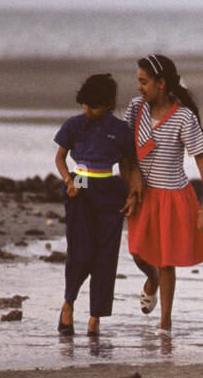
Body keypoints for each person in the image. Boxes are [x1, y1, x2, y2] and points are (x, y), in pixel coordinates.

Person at [124, 54, 203, 331]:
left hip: (172, 195)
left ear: (161, 83)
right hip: (141, 192)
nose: (139, 87)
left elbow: (201, 158)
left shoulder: (183, 116)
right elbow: (125, 149)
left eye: (144, 81)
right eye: (138, 81)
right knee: (137, 251)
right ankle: (151, 279)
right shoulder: (136, 108)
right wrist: (132, 181)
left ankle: (165, 321)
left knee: (166, 260)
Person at [53, 73, 140, 336]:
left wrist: (132, 194)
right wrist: (69, 180)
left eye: (94, 106)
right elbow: (60, 158)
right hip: (80, 182)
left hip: (108, 185)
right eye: (85, 105)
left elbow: (128, 165)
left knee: (106, 256)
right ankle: (68, 303)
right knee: (80, 252)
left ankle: (95, 317)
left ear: (109, 104)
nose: (88, 110)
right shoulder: (74, 125)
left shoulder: (120, 130)